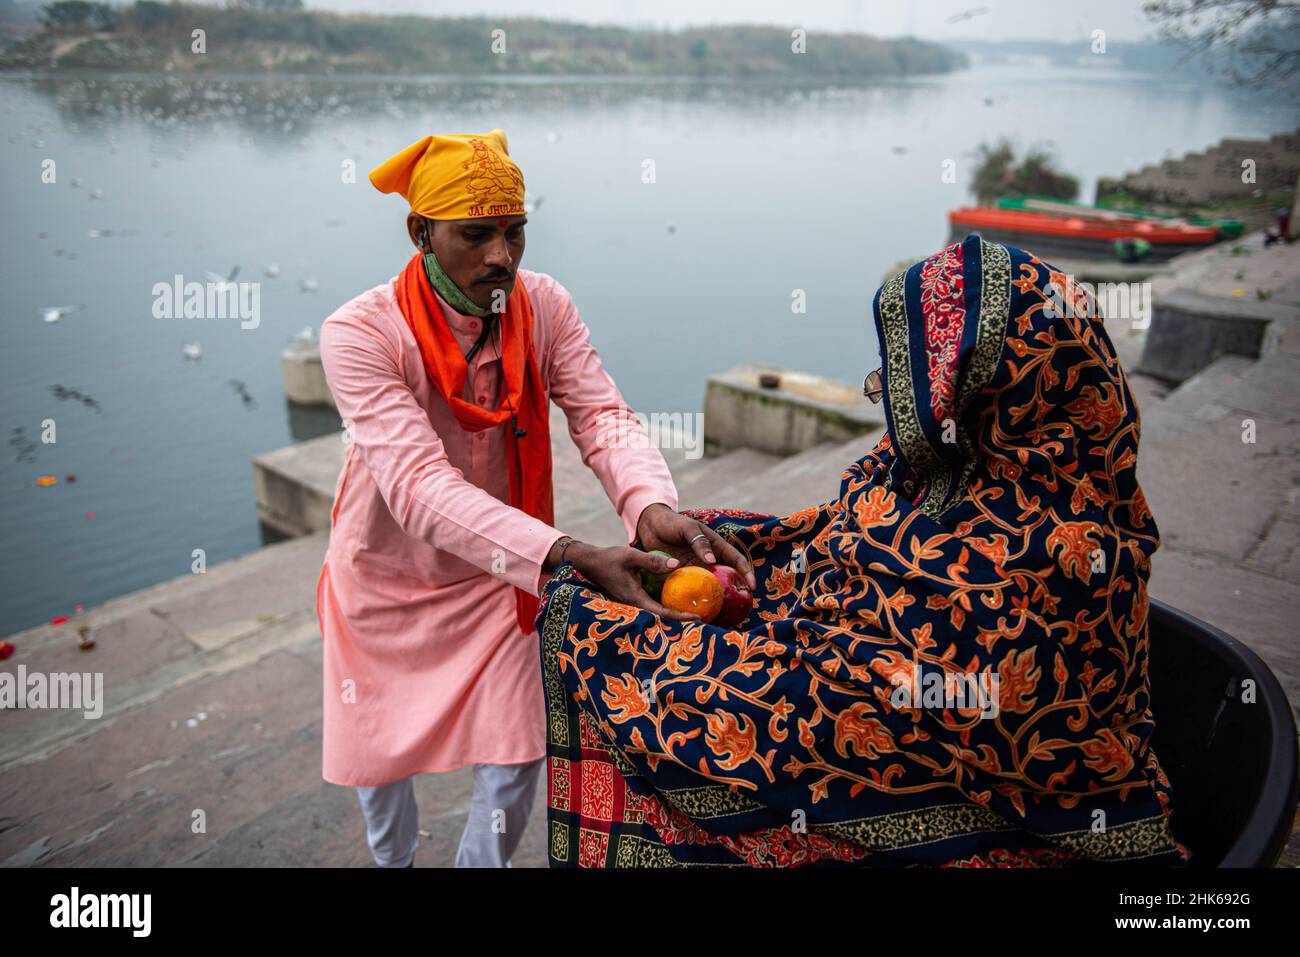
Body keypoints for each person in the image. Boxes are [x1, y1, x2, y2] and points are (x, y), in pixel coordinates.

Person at [536, 234, 1189, 867]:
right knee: (671, 561)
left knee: (594, 631)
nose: (892, 390)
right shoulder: (964, 456)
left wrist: (679, 655)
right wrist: (692, 530)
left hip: (980, 807)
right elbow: (833, 537)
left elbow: (871, 717)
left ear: (986, 386)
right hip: (870, 690)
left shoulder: (1055, 555)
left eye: (917, 372)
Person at [315, 129, 753, 868]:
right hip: (388, 581)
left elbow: (601, 414)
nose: (501, 257)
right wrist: (569, 553)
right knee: (380, 767)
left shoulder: (543, 305)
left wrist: (648, 505)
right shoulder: (359, 333)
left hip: (504, 573)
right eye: (475, 234)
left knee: (519, 756)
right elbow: (420, 489)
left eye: (514, 232)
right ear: (420, 232)